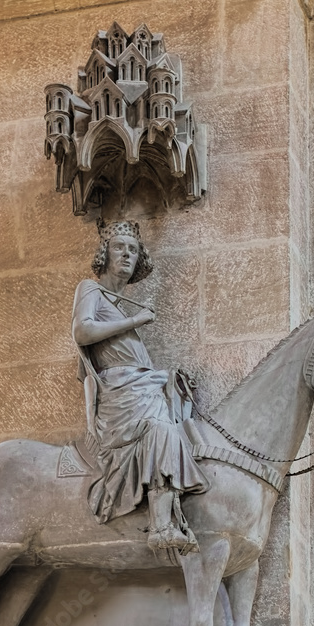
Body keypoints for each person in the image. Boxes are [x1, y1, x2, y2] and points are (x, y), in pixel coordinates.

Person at [71, 219, 208, 553]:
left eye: (133, 250)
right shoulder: (90, 290)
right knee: (160, 429)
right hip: (119, 390)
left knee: (175, 424)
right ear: (105, 253)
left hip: (137, 385)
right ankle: (160, 528)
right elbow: (82, 331)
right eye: (119, 247)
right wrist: (136, 321)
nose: (127, 255)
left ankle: (169, 512)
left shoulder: (117, 303)